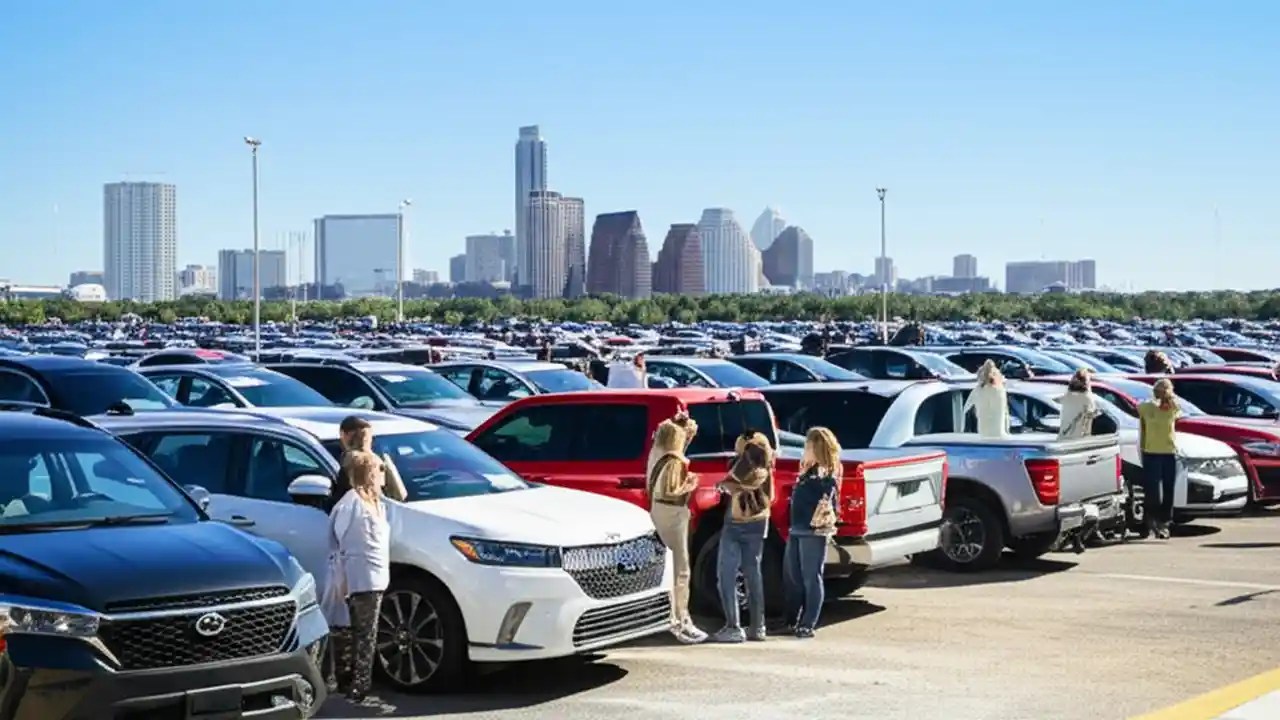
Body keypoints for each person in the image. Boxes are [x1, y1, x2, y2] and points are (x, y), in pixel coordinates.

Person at [323, 451, 391, 703]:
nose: (383, 474)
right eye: (379, 469)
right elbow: (344, 541)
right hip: (359, 578)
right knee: (362, 633)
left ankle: (351, 680)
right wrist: (345, 581)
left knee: (362, 632)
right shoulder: (351, 503)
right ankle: (357, 685)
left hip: (375, 577)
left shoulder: (378, 502)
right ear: (368, 473)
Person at [646, 413, 707, 644]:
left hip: (656, 512)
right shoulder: (675, 460)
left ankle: (667, 617)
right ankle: (682, 620)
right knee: (680, 569)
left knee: (663, 568)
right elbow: (671, 491)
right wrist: (690, 485)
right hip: (673, 514)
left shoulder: (656, 454)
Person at [713, 431, 775, 643]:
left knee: (726, 575)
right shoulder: (767, 462)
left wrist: (722, 485)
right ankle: (758, 626)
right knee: (753, 574)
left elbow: (729, 484)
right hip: (759, 521)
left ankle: (733, 627)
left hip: (736, 523)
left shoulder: (742, 461)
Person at [784, 427, 841, 638]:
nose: (804, 450)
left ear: (816, 448)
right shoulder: (807, 471)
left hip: (813, 531)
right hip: (797, 527)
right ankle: (791, 620)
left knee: (811, 577)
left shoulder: (826, 475)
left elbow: (828, 498)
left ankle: (808, 623)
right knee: (793, 577)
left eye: (808, 446)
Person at [1139, 379, 1181, 539]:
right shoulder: (1147, 407)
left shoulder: (1173, 408)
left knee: (1168, 490)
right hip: (1151, 452)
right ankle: (1152, 521)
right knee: (1153, 491)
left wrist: (1168, 399)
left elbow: (1177, 408)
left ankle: (1164, 522)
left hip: (1169, 452)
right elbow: (1139, 409)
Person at [964, 360, 1009, 438]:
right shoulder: (1000, 391)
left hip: (984, 437)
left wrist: (962, 430)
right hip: (999, 437)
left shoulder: (978, 391)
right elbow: (1006, 415)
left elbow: (965, 410)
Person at [1057, 369, 1100, 440]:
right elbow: (1089, 419)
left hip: (1063, 438)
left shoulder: (1067, 397)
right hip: (1079, 440)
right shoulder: (1087, 399)